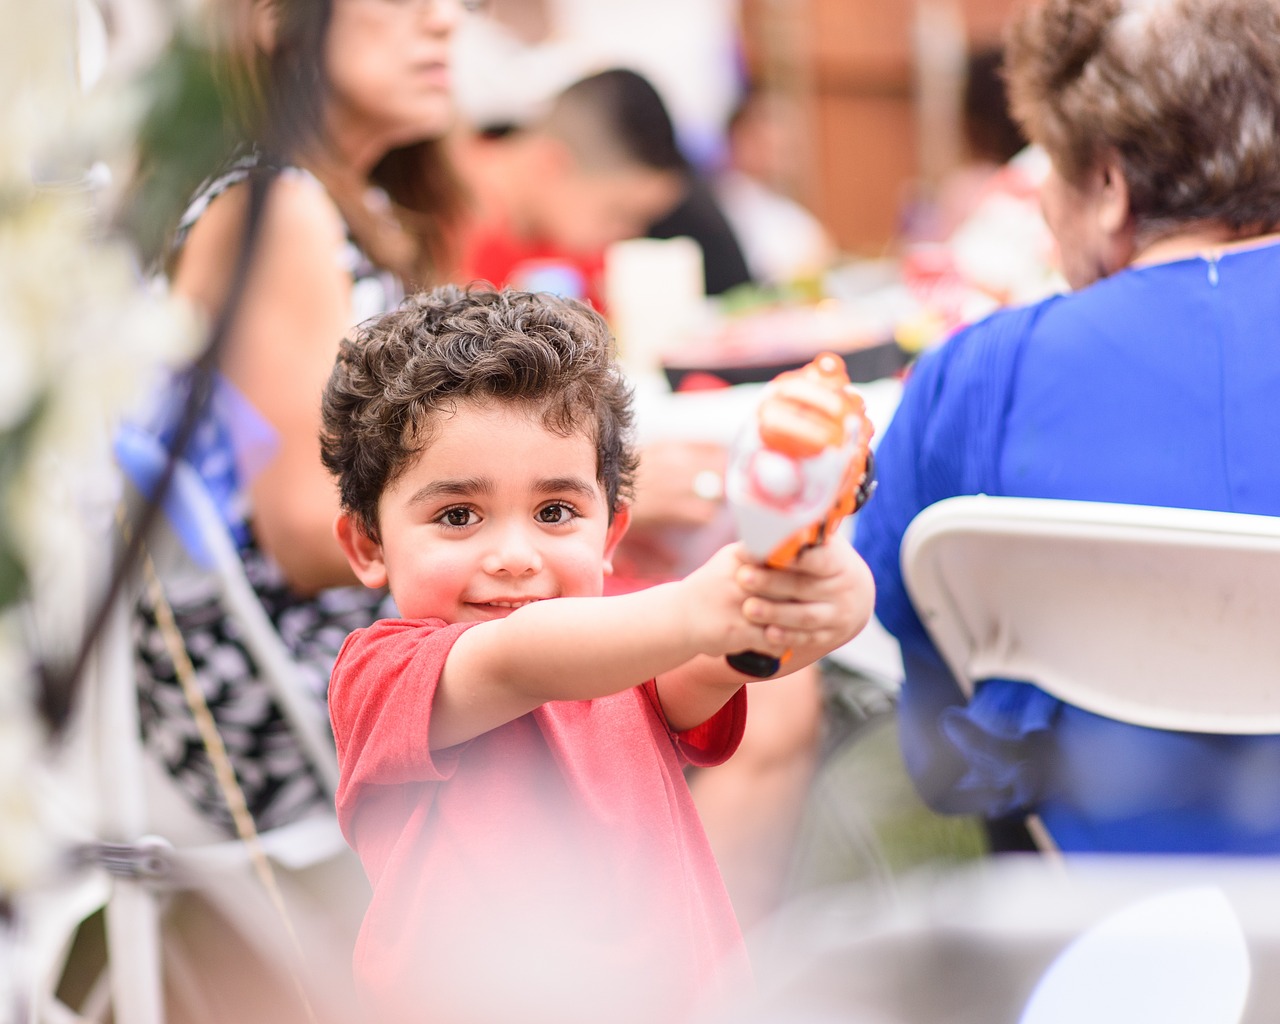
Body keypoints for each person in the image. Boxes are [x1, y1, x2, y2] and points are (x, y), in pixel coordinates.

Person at [318, 285, 876, 1023]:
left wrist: (826, 585)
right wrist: (695, 607)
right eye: (458, 516)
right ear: (367, 545)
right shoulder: (381, 675)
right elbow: (518, 658)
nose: (515, 556)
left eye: (556, 512)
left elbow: (739, 645)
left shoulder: (630, 650)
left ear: (610, 534)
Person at [854, 0, 1280, 854]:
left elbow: (942, 741)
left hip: (1109, 914)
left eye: (1050, 165)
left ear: (1111, 188)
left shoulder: (976, 381)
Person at [129, 0, 472, 833]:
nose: (447, 20)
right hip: (283, 684)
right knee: (710, 670)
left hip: (343, 633)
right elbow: (315, 534)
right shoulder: (270, 208)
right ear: (277, 17)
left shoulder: (345, 201)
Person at [450, 66, 688, 310]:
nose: (628, 234)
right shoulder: (441, 212)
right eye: (618, 213)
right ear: (551, 164)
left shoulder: (566, 239)